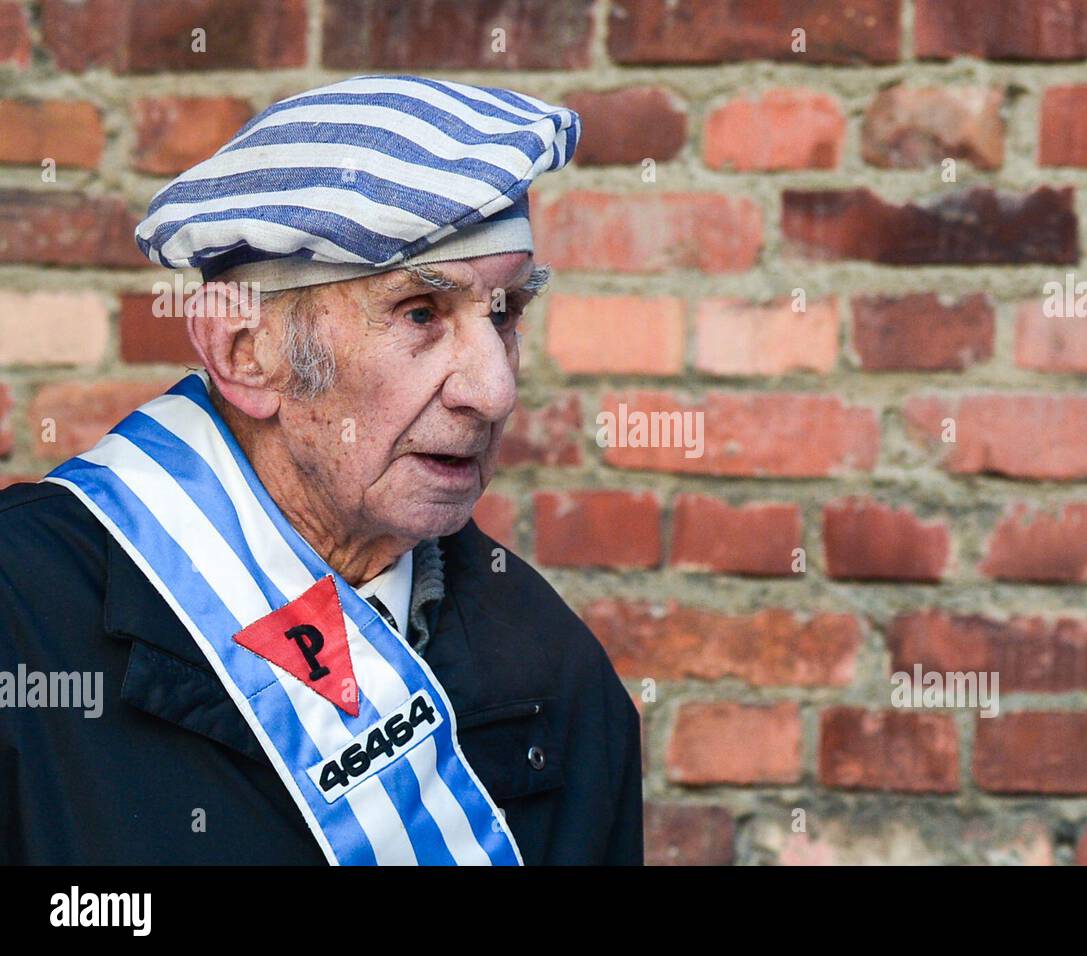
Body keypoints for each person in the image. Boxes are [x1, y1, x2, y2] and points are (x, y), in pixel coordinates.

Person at [0, 75, 642, 865]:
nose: (495, 389)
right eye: (420, 313)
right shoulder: (23, 617)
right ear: (247, 352)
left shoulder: (556, 671)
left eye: (503, 312)